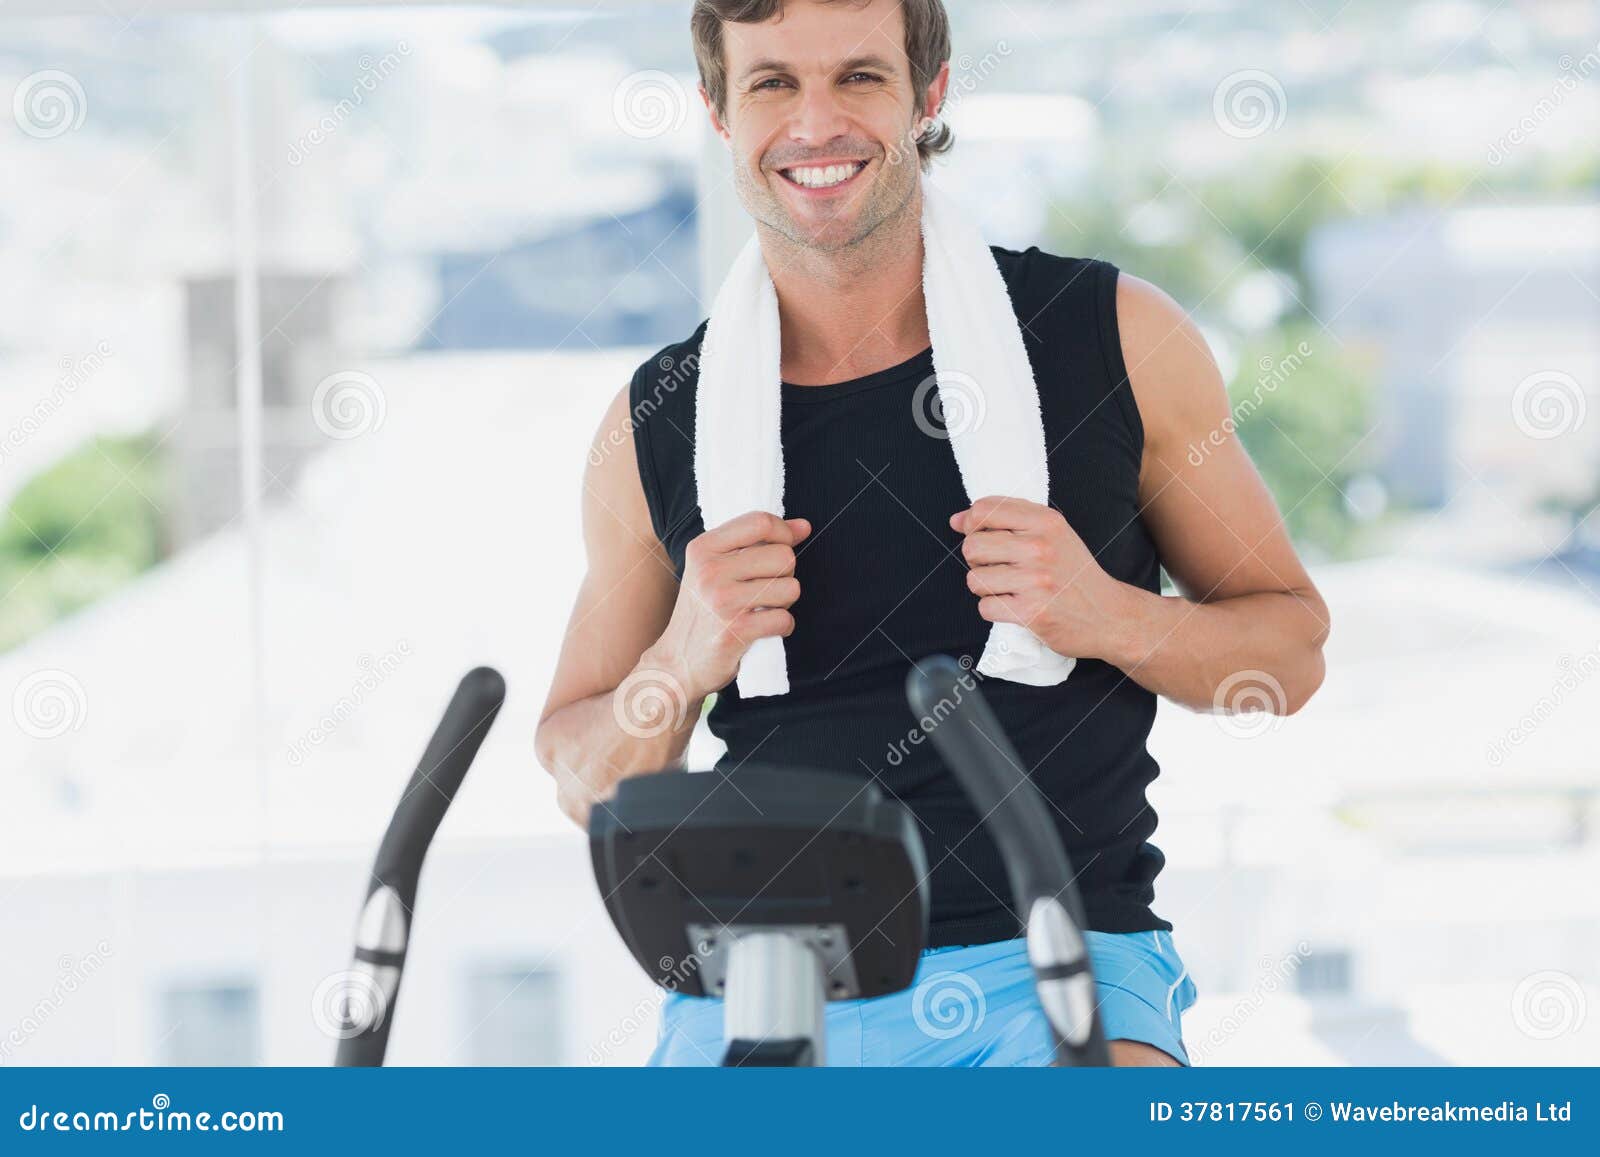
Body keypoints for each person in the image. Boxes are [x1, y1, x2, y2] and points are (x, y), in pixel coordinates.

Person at [536, 0, 1330, 1067]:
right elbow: (583, 772)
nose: (815, 123)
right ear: (718, 111)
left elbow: (1287, 655)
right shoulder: (654, 421)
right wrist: (680, 659)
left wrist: (1108, 614)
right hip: (762, 970)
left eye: (858, 78)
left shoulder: (1114, 338)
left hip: (1055, 955)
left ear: (930, 94)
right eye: (772, 83)